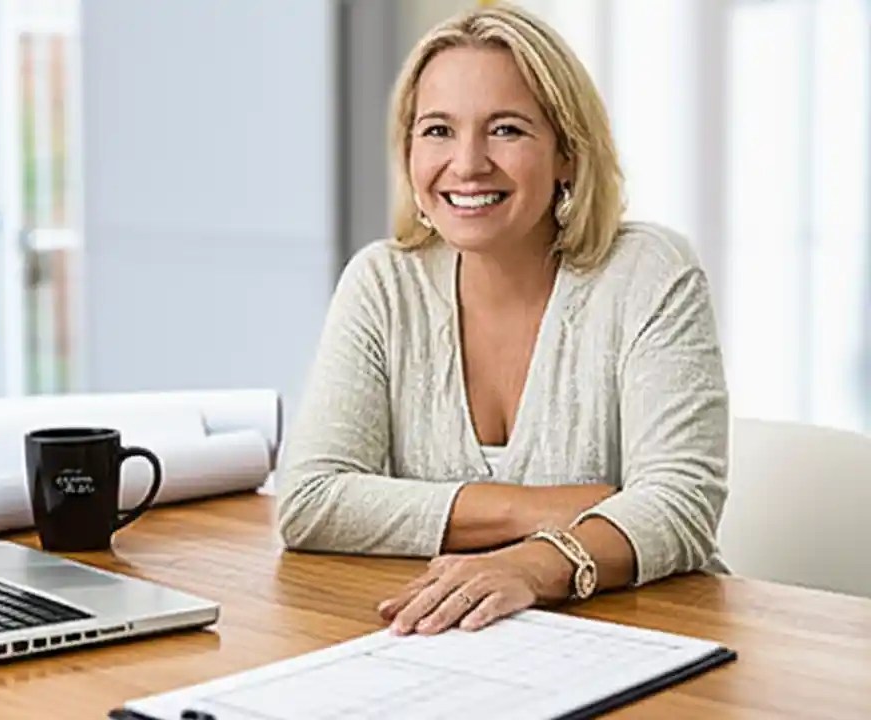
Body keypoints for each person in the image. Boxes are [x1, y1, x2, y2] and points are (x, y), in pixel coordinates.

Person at [275, 3, 729, 636]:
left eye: (506, 130)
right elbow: (311, 500)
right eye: (438, 130)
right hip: (446, 637)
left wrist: (535, 564)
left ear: (568, 152)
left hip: (648, 633)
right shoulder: (383, 283)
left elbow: (680, 504)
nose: (467, 164)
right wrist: (539, 510)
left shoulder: (648, 273)